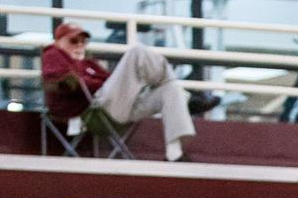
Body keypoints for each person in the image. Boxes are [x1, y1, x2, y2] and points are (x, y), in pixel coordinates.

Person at [41, 22, 214, 163]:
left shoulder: (88, 63)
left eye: (83, 41)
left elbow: (108, 79)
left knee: (171, 89)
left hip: (115, 108)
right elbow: (59, 79)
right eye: (73, 40)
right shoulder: (53, 54)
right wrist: (96, 82)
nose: (79, 45)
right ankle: (188, 98)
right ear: (58, 41)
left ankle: (174, 154)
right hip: (94, 112)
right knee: (137, 51)